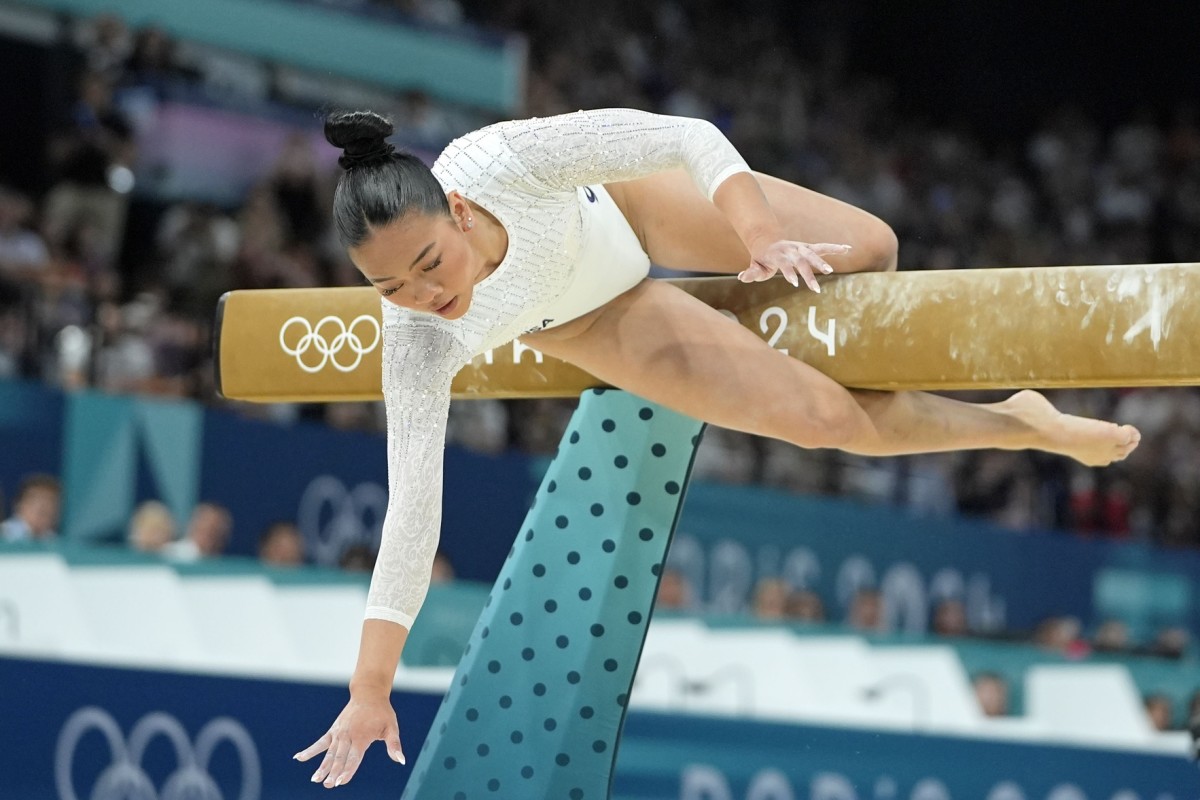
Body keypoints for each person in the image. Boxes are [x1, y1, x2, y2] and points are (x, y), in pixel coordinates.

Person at [295, 107, 1142, 787]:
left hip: (626, 207)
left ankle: (733, 289)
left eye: (430, 264)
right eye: (388, 286)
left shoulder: (502, 162)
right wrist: (371, 688)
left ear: (460, 211)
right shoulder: (413, 339)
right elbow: (412, 510)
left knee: (873, 249)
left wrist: (760, 237)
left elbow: (687, 137)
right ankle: (1020, 419)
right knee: (828, 422)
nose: (423, 295)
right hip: (592, 317)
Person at [0, 474, 61, 542]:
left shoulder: (55, 542)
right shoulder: (3, 533)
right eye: (35, 501)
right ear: (19, 505)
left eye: (50, 502)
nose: (42, 507)